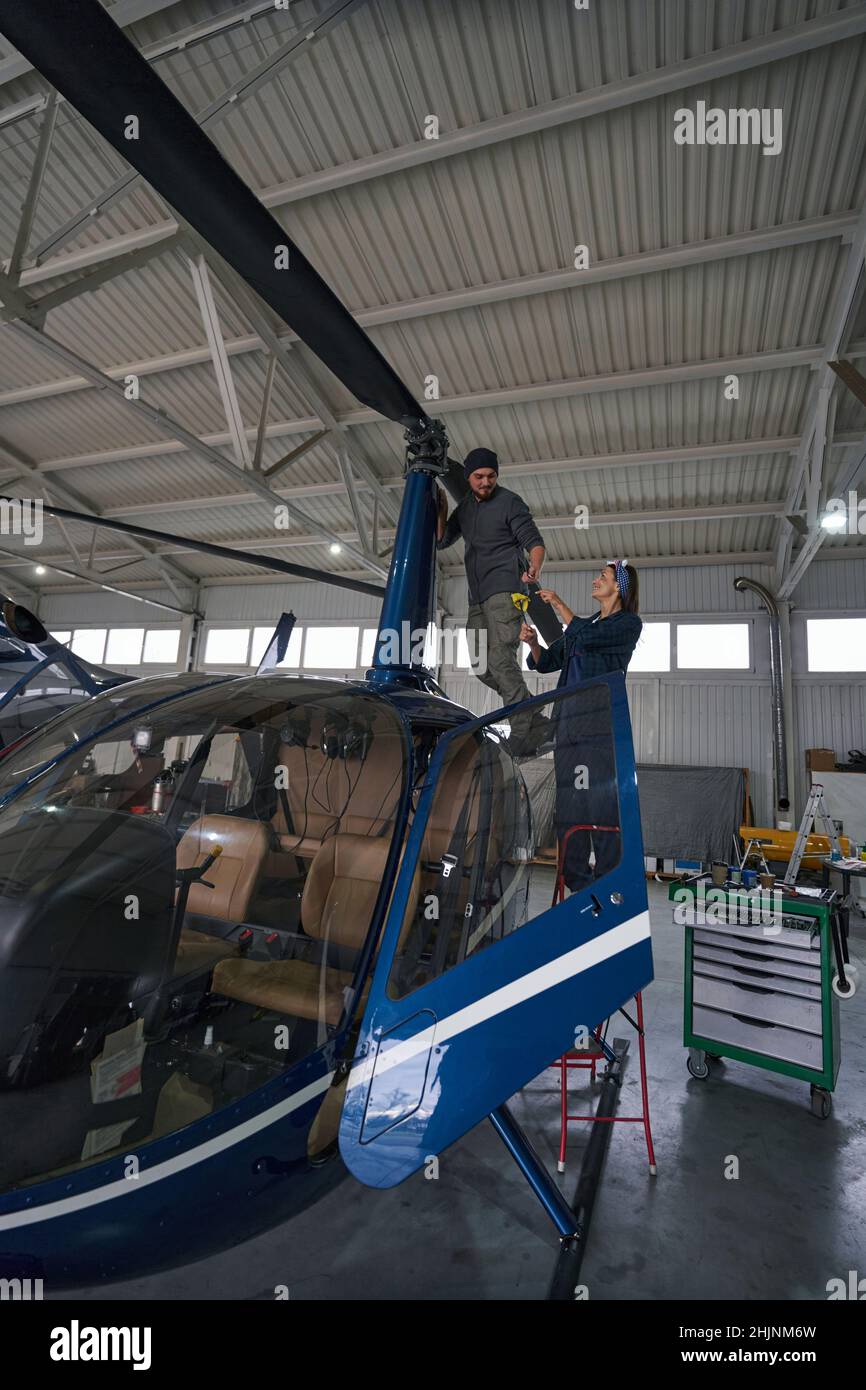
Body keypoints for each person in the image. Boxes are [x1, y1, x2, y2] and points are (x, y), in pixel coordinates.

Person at [519, 560, 641, 892]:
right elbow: (549, 662)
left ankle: (607, 881)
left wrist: (558, 604)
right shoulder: (582, 627)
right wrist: (532, 643)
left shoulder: (628, 624)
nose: (595, 581)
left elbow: (586, 637)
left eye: (602, 577)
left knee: (599, 803)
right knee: (570, 804)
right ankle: (575, 880)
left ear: (619, 587)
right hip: (567, 727)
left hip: (598, 727)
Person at [436, 447, 549, 753]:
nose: (485, 482)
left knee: (501, 659)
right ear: (469, 477)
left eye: (491, 476)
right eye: (479, 476)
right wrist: (442, 509)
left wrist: (535, 565)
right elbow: (443, 540)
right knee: (480, 665)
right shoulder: (466, 510)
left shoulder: (510, 502)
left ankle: (524, 731)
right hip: (477, 597)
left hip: (505, 592)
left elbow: (534, 542)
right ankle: (535, 718)